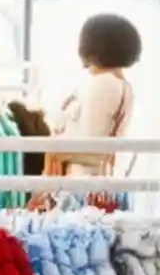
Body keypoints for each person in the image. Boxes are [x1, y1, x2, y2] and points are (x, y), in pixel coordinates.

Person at [46, 13, 141, 176]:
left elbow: (90, 145)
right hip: (104, 180)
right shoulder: (120, 83)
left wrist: (54, 149)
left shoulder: (104, 84)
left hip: (87, 183)